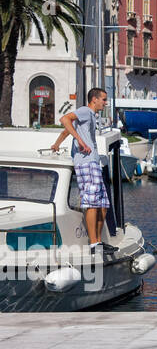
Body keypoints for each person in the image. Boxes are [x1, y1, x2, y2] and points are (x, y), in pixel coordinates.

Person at [52, 88, 110, 253]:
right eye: (103, 100)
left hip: (94, 163)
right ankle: (94, 244)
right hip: (86, 163)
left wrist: (57, 144)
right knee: (92, 204)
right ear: (94, 99)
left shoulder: (89, 115)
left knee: (103, 205)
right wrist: (81, 142)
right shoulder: (85, 110)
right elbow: (64, 119)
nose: (105, 103)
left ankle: (98, 241)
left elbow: (67, 129)